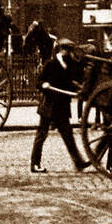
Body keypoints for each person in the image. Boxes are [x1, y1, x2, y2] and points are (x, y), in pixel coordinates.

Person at [31, 40, 90, 173]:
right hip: (49, 105)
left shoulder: (69, 64)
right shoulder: (51, 64)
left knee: (68, 136)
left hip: (62, 107)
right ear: (61, 50)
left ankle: (78, 162)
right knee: (41, 135)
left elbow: (72, 81)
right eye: (67, 50)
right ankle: (35, 164)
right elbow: (38, 81)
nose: (69, 53)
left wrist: (78, 88)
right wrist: (43, 85)